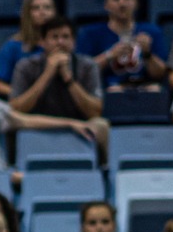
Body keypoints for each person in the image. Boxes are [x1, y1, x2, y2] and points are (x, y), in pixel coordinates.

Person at [8, 17, 110, 155]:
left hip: (80, 126)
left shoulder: (88, 66)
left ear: (73, 42)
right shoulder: (25, 66)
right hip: (37, 125)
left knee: (101, 125)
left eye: (65, 37)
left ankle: (103, 172)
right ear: (42, 42)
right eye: (54, 37)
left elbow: (95, 112)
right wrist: (47, 73)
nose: (60, 42)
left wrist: (69, 79)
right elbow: (16, 110)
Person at [77, 0, 170, 90]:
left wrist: (148, 54)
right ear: (106, 4)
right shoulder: (90, 33)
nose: (122, 3)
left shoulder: (151, 32)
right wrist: (109, 55)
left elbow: (161, 74)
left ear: (135, 3)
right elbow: (82, 72)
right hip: (107, 91)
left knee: (155, 89)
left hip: (143, 89)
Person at [0, 0, 59, 97]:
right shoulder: (13, 46)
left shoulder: (63, 43)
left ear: (54, 12)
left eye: (47, 7)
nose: (42, 12)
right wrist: (25, 95)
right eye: (36, 8)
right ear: (27, 14)